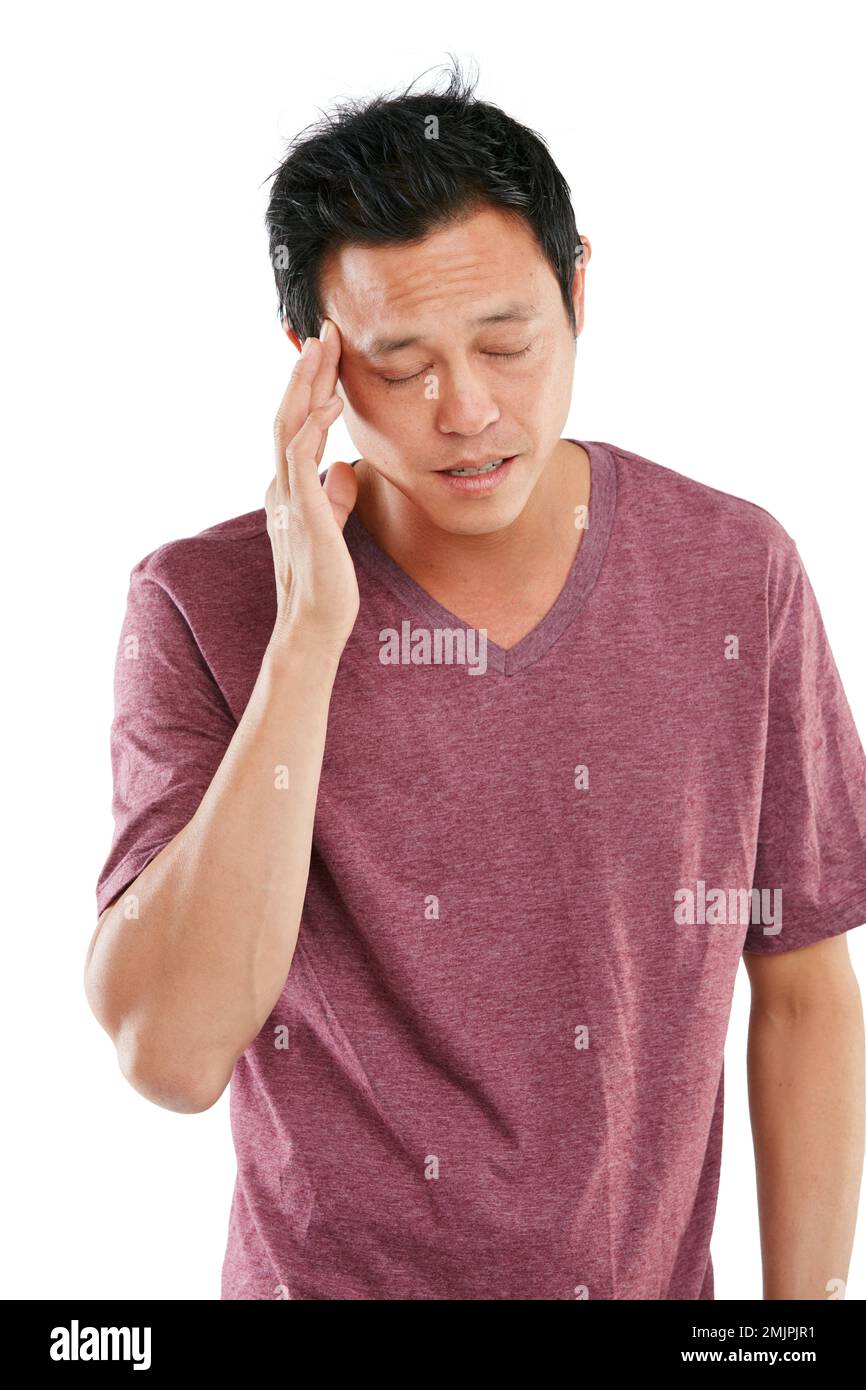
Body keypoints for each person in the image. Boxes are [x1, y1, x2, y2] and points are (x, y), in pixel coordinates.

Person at [85, 61, 866, 1300]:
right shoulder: (196, 603)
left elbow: (803, 984)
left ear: (578, 289)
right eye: (399, 366)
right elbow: (171, 1056)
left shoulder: (733, 570)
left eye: (507, 343)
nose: (466, 410)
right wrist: (305, 640)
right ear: (311, 362)